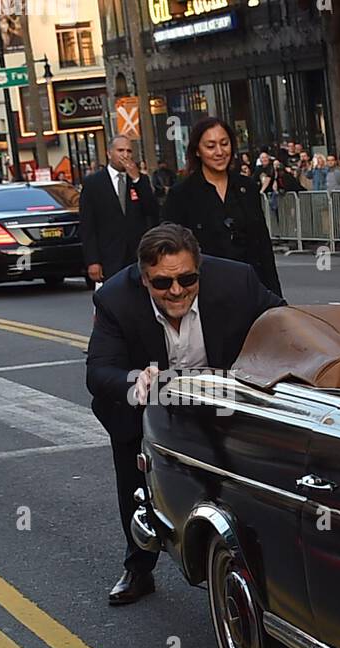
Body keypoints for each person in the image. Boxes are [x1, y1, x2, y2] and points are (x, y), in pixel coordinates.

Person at [84, 224, 284, 604]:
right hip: (149, 402)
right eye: (162, 283)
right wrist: (135, 379)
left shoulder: (236, 281)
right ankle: (138, 567)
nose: (176, 291)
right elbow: (98, 371)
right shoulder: (115, 299)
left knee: (242, 482)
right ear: (144, 279)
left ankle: (256, 566)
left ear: (200, 270)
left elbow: (285, 323)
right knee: (135, 482)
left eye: (187, 279)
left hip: (220, 397)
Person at [162, 116, 282, 297]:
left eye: (224, 144)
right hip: (205, 293)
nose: (219, 152)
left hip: (251, 290)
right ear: (197, 151)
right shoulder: (181, 194)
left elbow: (262, 244)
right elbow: (171, 249)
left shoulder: (246, 188)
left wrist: (275, 297)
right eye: (210, 146)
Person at [79, 135, 159, 283]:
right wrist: (93, 261)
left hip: (137, 255)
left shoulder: (140, 180)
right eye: (120, 150)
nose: (125, 155)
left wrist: (137, 180)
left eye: (129, 151)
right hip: (109, 255)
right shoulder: (93, 183)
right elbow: (87, 225)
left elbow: (152, 210)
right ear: (109, 153)